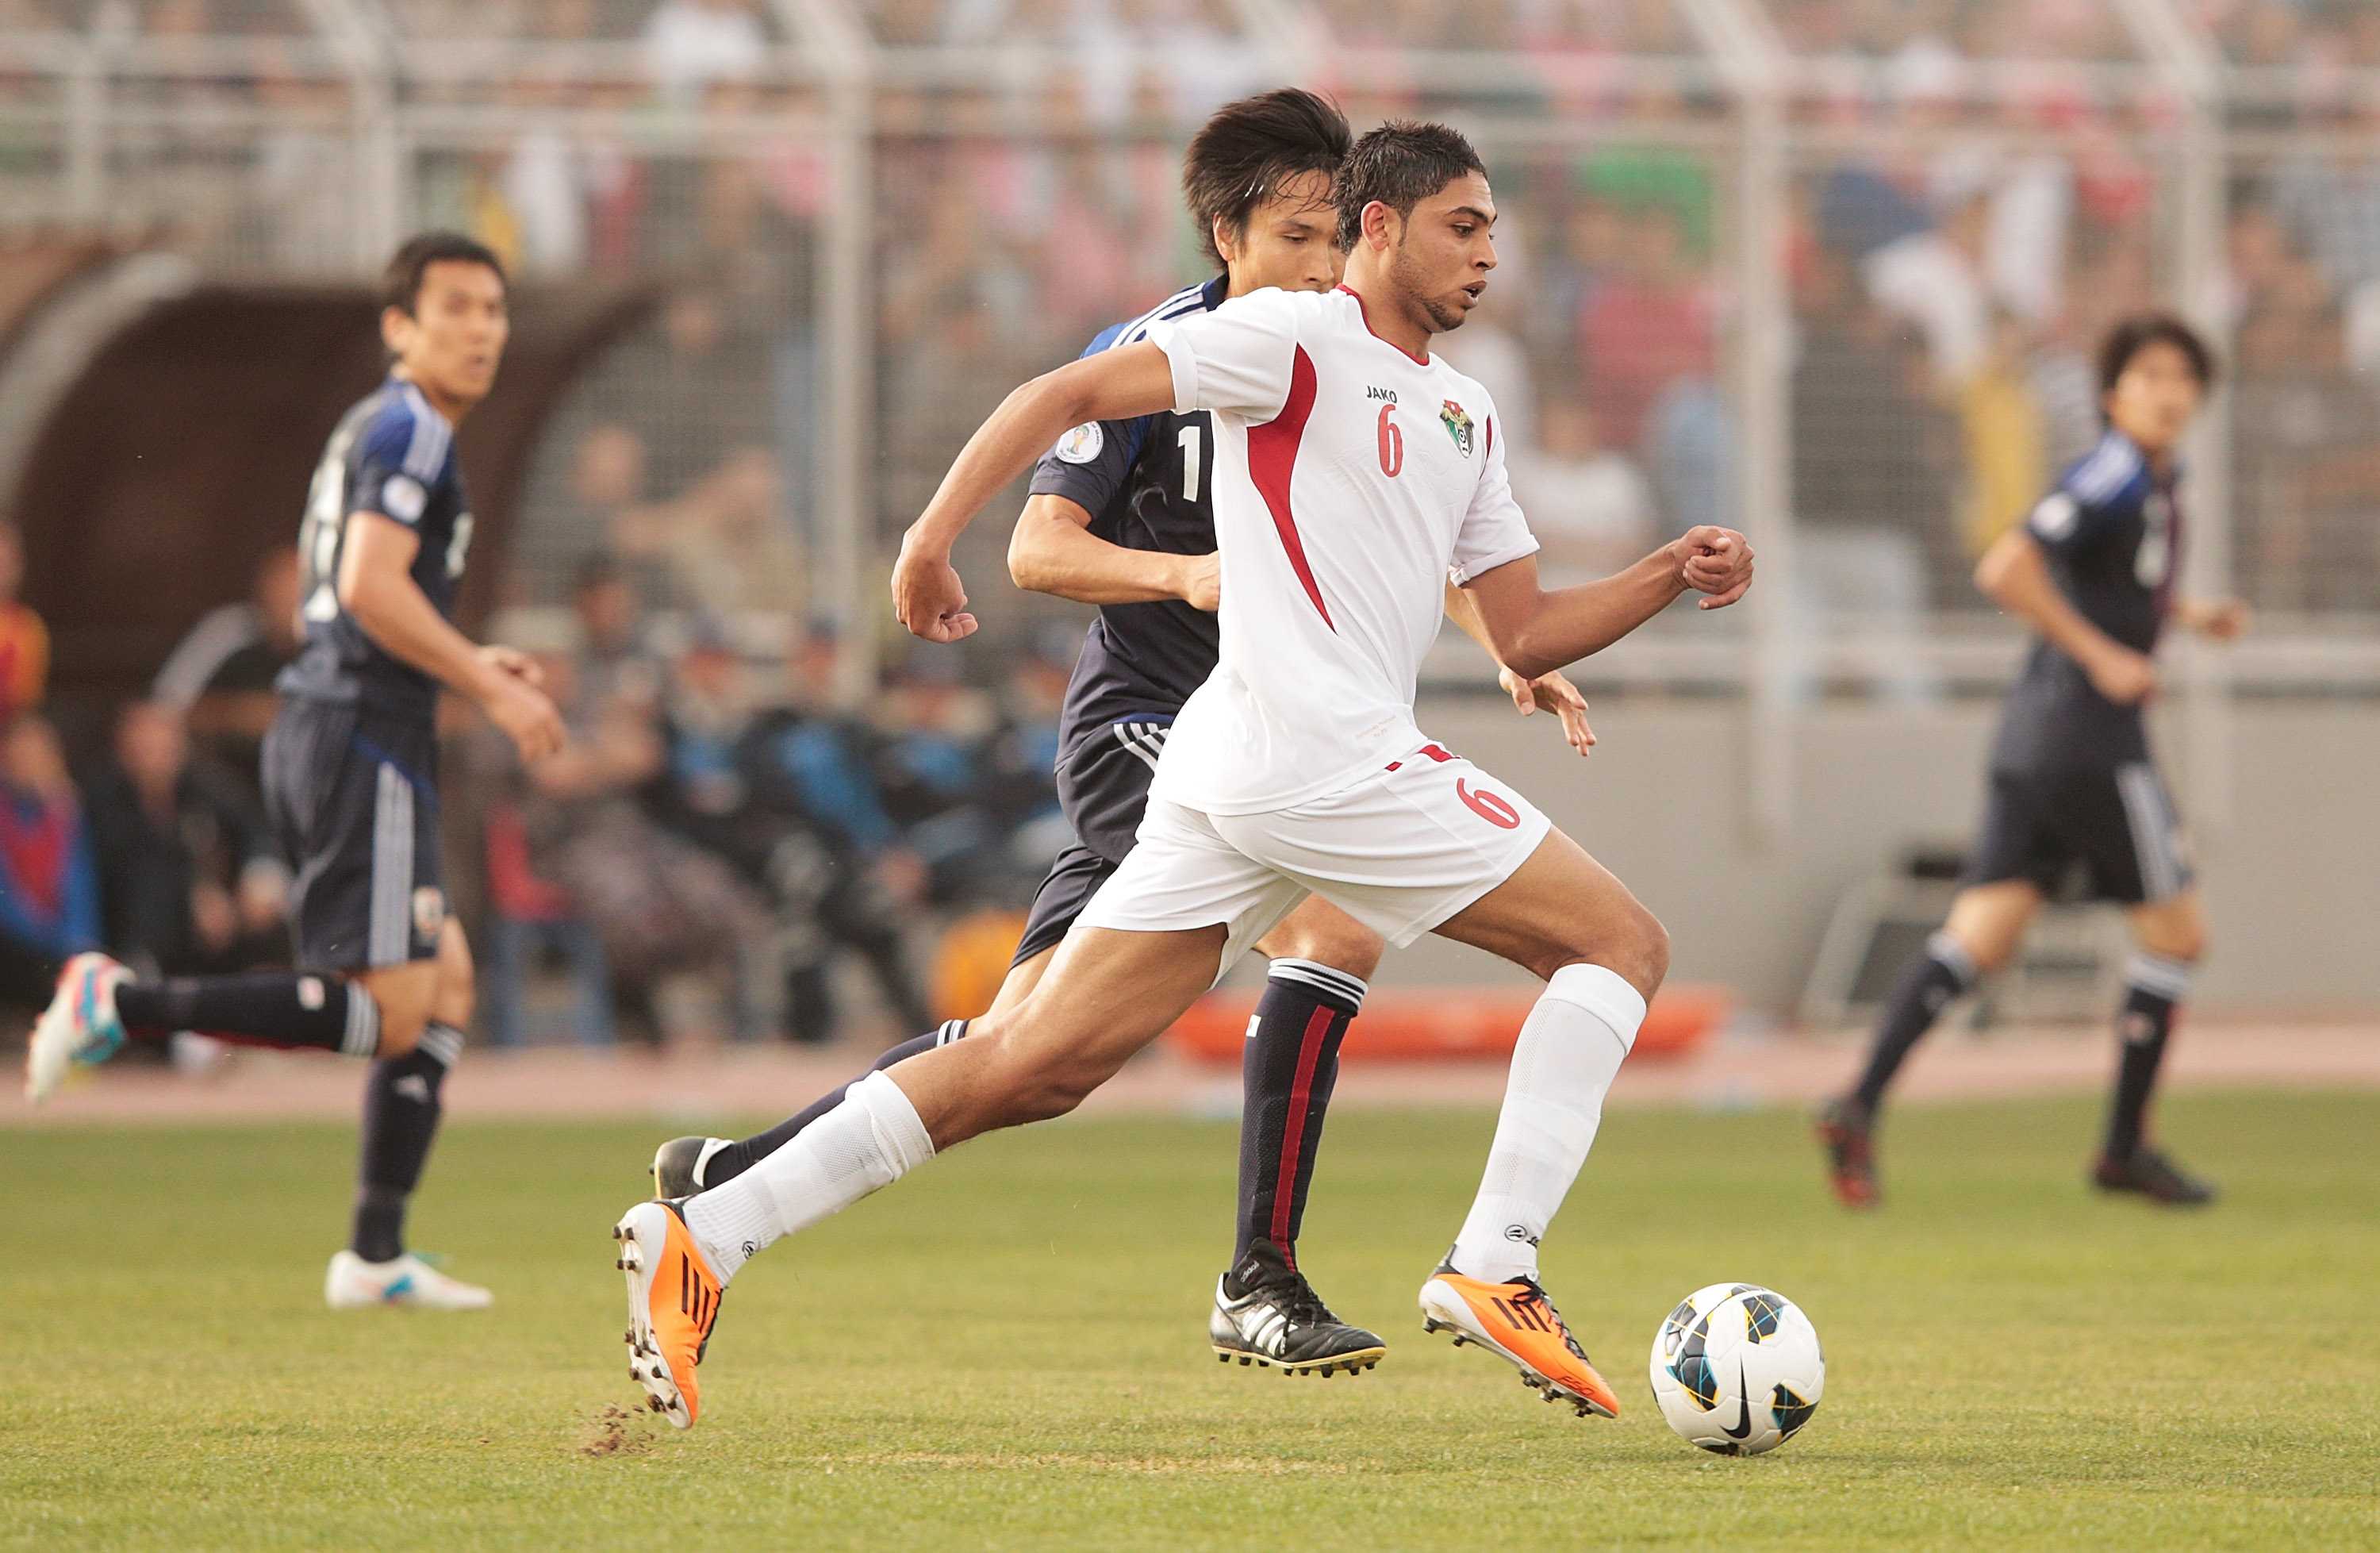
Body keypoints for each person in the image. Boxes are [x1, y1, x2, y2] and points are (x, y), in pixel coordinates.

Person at [608, 119, 1753, 1432]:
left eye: (1494, 230)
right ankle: (1493, 1259)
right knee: (1620, 945)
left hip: (1232, 761)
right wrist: (928, 542)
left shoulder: (1467, 411)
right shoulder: (1292, 337)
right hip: (1321, 756)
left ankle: (710, 1228)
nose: (1489, 254)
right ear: (1380, 229)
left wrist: (1668, 571)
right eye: (1463, 226)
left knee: (1035, 1060)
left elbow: (1525, 629)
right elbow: (1060, 396)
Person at [25, 233, 567, 1312]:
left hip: (352, 720)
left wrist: (465, 660)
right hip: (362, 731)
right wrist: (482, 682)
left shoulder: (389, 425)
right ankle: (121, 1001)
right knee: (394, 1011)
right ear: (399, 327)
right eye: (454, 308)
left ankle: (374, 1252)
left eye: (493, 309)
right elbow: (368, 586)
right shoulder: (411, 426)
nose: (480, 329)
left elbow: (368, 592)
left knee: (444, 981)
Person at [1815, 313, 2244, 1211]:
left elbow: (2111, 584)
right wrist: (2103, 657)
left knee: (1980, 937)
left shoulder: (2157, 478)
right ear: (2112, 395)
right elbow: (2007, 567)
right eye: (2149, 375)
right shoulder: (2111, 472)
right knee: (2178, 937)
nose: (2169, 392)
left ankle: (1857, 1103)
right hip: (2092, 741)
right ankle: (2124, 1147)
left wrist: (2186, 615)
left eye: (2183, 377)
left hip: (2034, 739)